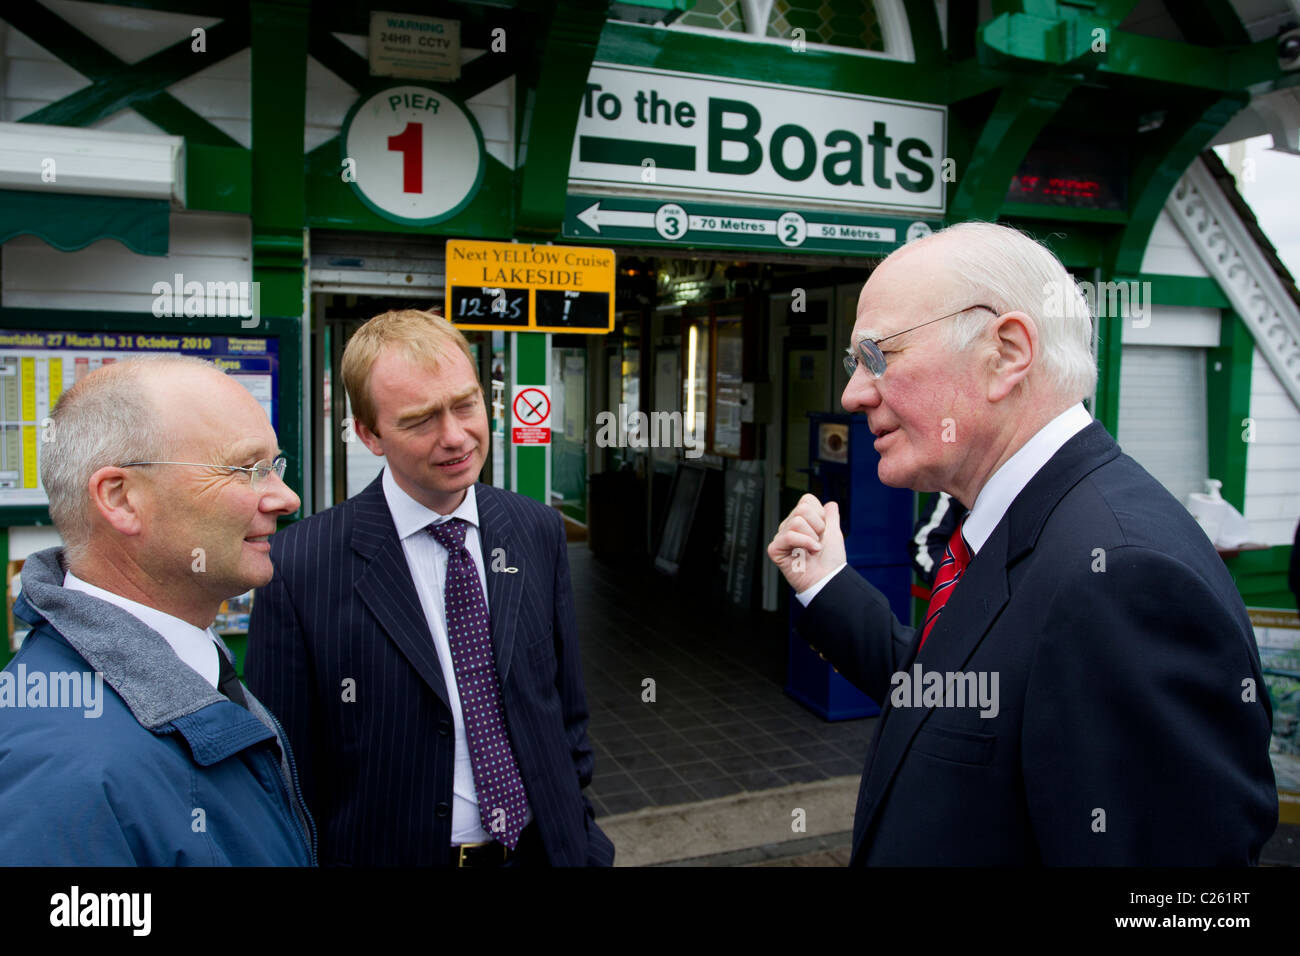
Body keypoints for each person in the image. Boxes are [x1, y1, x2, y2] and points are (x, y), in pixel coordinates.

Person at [768, 221, 1278, 865]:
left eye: (878, 356)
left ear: (1007, 352)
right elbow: (953, 693)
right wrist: (827, 587)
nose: (853, 393)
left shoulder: (1122, 578)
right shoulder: (1016, 516)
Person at [246, 309, 613, 867]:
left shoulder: (536, 528)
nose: (455, 436)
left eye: (465, 404)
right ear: (369, 434)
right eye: (420, 420)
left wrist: (582, 838)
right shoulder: (300, 566)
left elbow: (564, 708)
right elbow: (288, 768)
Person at [0, 357, 313, 865]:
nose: (286, 497)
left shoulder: (187, 670)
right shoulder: (64, 775)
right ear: (121, 498)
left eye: (274, 467)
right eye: (246, 469)